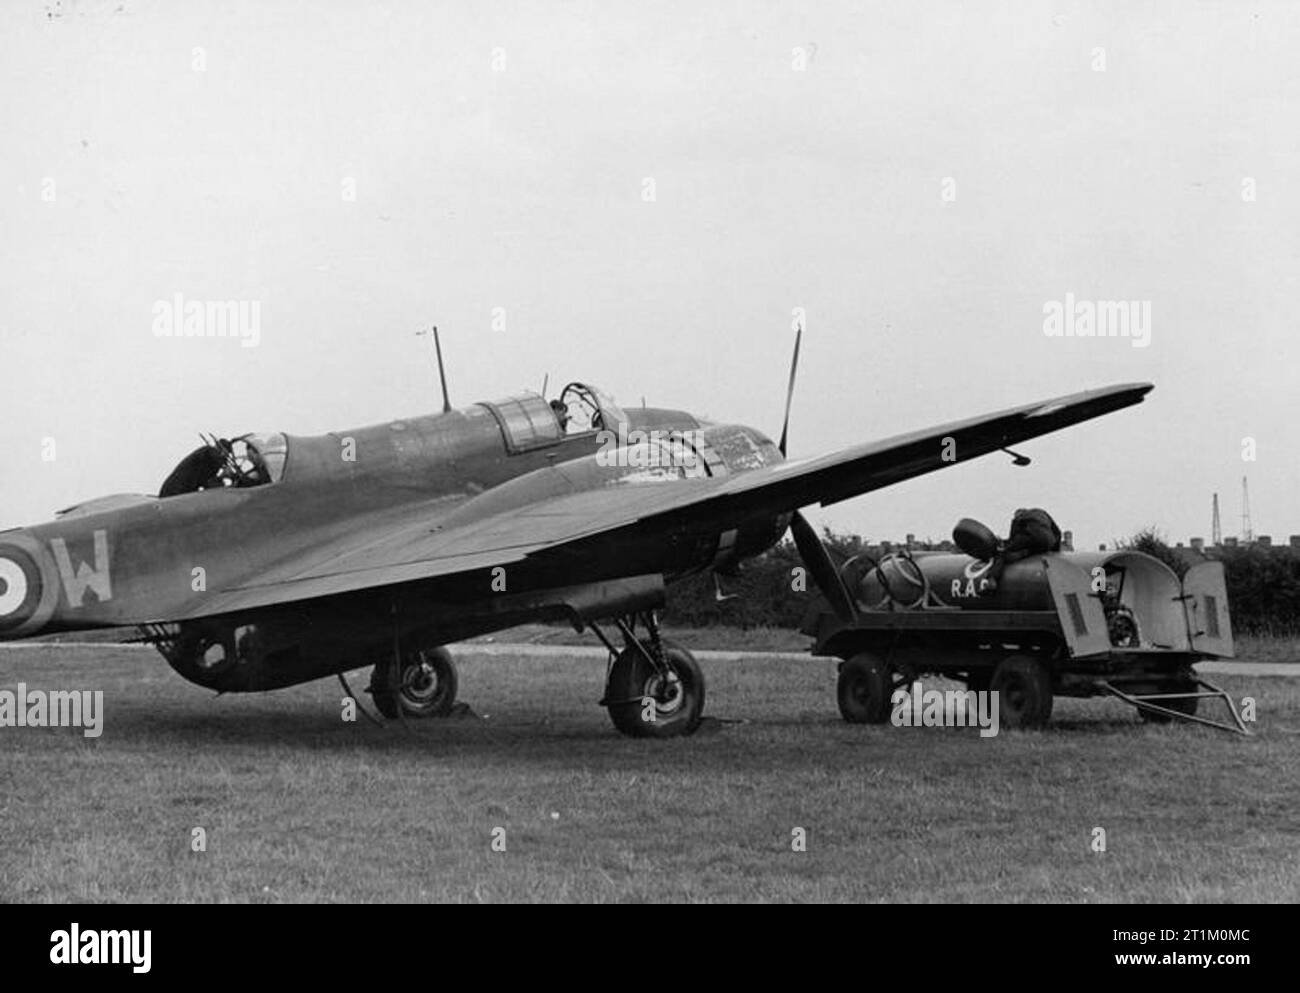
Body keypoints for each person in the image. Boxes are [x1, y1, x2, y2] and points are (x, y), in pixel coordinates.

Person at [983, 507, 1062, 592]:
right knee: (1027, 551)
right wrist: (1055, 552)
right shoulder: (1042, 513)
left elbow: (1013, 537)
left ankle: (992, 580)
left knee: (1002, 554)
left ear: (1018, 514)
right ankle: (1023, 553)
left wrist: (1006, 547)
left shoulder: (1020, 518)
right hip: (1048, 542)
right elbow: (1058, 532)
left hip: (1032, 539)